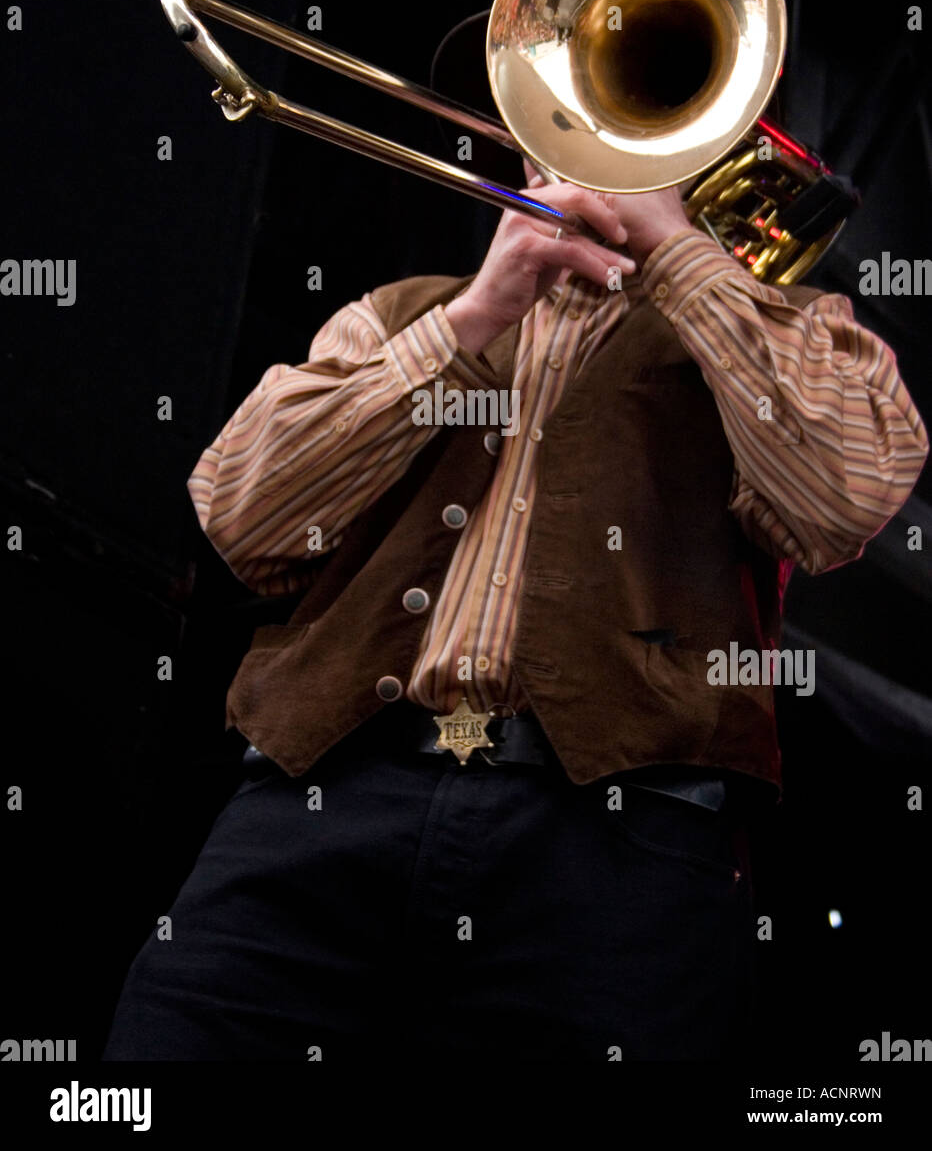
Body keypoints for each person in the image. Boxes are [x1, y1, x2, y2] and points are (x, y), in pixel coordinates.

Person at [101, 140, 928, 1063]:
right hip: (321, 805)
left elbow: (844, 500)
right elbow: (244, 516)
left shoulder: (795, 327)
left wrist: (680, 252)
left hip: (621, 849)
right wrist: (473, 317)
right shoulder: (399, 312)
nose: (585, 145)